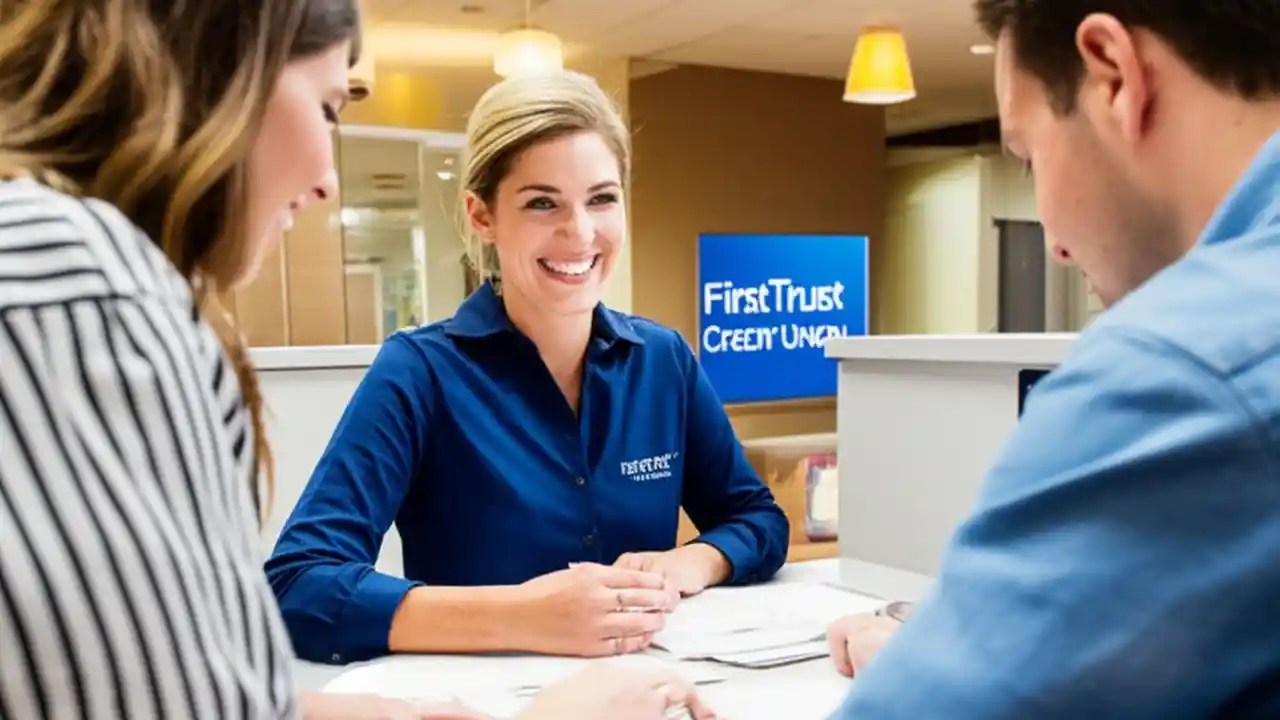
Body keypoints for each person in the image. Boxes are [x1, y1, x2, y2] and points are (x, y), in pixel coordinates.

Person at [0, 2, 712, 719]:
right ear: (228, 81)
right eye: (328, 106)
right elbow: (219, 651)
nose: (326, 180)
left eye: (602, 199)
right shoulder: (90, 296)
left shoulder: (663, 357)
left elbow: (201, 679)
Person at [828, 0, 1280, 716]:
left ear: (1112, 74)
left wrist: (945, 665)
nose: (1055, 244)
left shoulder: (1178, 371)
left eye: (1029, 154)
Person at [265, 70, 790, 665]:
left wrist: (689, 562)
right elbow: (299, 585)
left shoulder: (664, 360)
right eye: (543, 203)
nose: (581, 232)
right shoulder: (420, 372)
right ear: (482, 216)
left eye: (602, 198)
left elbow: (757, 519)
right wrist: (524, 616)